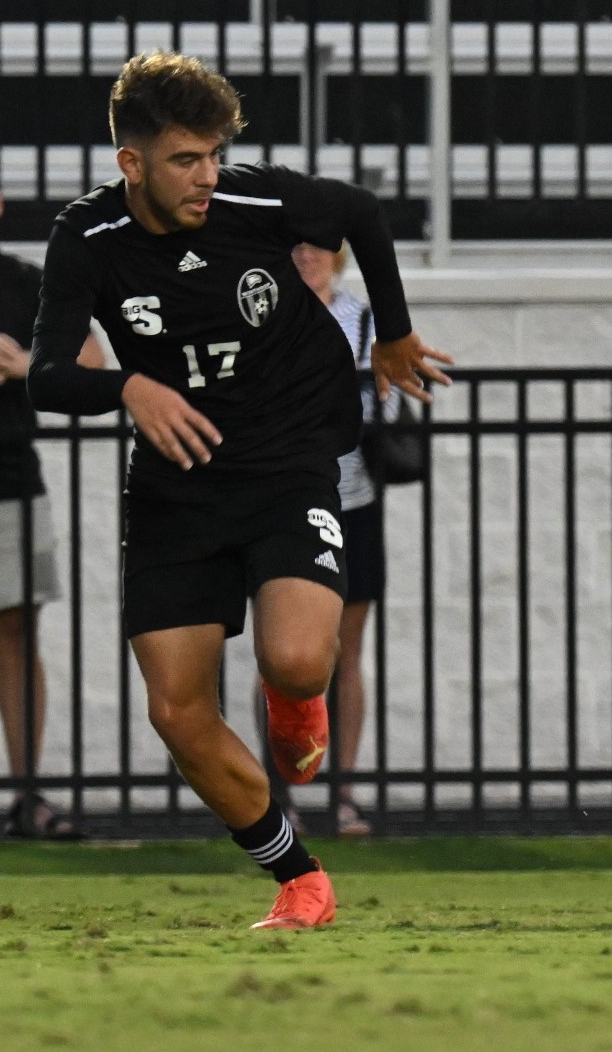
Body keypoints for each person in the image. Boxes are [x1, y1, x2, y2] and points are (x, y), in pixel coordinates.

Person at [26, 52, 451, 927]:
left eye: (216, 154)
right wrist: (128, 390)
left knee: (296, 658)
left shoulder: (255, 199)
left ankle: (296, 699)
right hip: (176, 491)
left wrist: (394, 335)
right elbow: (45, 377)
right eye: (187, 159)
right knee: (178, 712)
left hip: (288, 455)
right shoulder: (87, 238)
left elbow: (361, 214)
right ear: (131, 163)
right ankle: (301, 878)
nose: (208, 176)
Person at [0, 148, 106, 839]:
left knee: (15, 635)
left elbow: (92, 360)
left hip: (12, 480)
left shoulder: (26, 283)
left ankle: (26, 793)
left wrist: (25, 363)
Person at [257, 242, 385, 839]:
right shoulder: (264, 309)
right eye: (297, 245)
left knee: (346, 652)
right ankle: (281, 792)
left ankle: (343, 789)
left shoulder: (363, 319)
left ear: (339, 256)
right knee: (282, 656)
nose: (308, 256)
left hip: (351, 501)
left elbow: (381, 397)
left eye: (321, 247)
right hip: (283, 504)